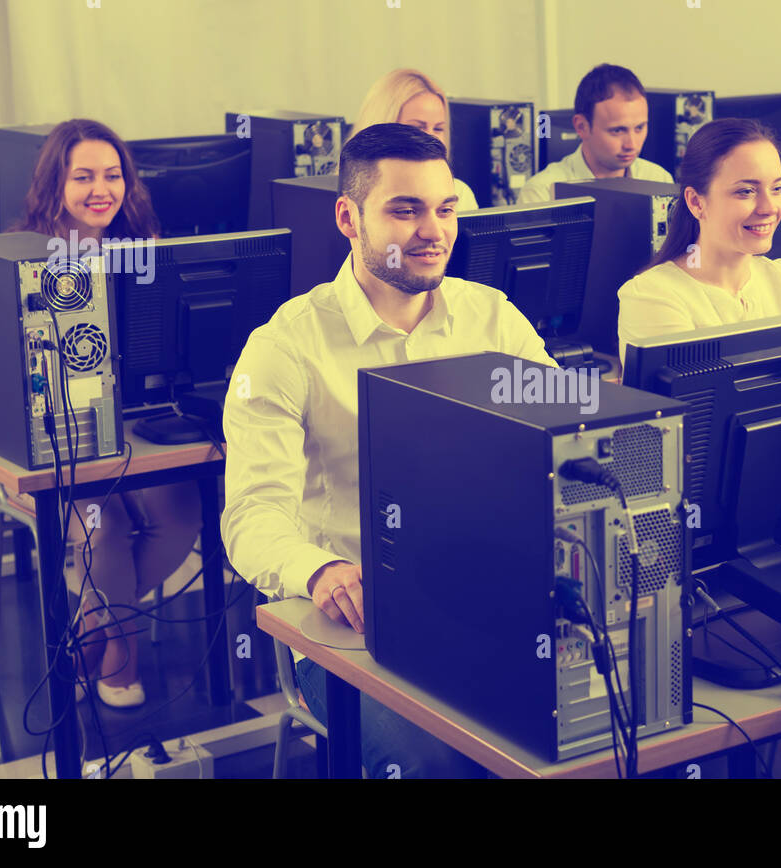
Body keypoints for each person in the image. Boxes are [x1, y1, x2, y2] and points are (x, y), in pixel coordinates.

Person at [220, 124, 556, 778]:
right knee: (431, 763)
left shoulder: (494, 319)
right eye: (406, 210)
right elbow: (251, 516)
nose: (434, 229)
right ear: (349, 218)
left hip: (488, 600)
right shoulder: (286, 346)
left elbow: (563, 444)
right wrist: (321, 571)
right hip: (351, 630)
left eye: (446, 208)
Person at [14, 118, 203, 708]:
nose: (102, 188)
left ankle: (93, 628)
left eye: (113, 174)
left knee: (181, 517)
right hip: (56, 440)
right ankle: (122, 659)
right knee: (106, 529)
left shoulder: (142, 249)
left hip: (135, 426)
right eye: (84, 176)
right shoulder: (24, 259)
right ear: (55, 185)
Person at [616, 118, 781, 363]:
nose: (769, 207)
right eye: (746, 191)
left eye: (776, 188)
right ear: (696, 202)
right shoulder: (652, 297)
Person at [518, 64, 673, 204]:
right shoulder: (542, 193)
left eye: (639, 128)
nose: (631, 144)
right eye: (618, 130)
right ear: (581, 127)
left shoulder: (658, 180)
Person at [350, 68, 479, 210]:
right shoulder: (348, 193)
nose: (431, 138)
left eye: (438, 128)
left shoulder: (459, 194)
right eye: (417, 128)